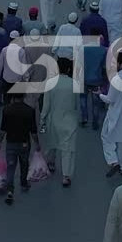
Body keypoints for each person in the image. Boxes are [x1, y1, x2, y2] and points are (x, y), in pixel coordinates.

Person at [41, 57, 80, 187]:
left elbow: (46, 105)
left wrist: (42, 119)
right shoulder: (74, 84)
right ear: (69, 69)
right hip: (69, 120)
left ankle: (51, 163)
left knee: (52, 143)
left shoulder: (50, 83)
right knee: (67, 149)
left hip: (54, 119)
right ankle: (66, 176)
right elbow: (76, 104)